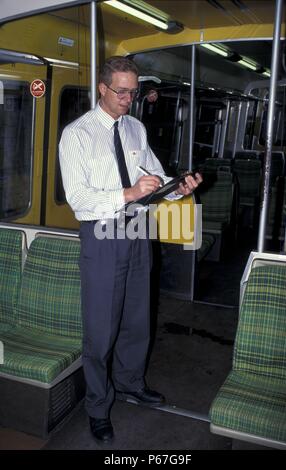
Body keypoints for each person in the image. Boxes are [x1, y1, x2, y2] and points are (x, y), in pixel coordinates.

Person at [59, 56, 202, 444]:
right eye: (121, 91)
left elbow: (152, 179)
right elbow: (78, 199)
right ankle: (98, 407)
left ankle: (130, 382)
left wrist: (178, 187)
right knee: (101, 330)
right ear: (102, 89)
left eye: (133, 92)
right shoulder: (77, 135)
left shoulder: (136, 128)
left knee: (137, 317)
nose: (128, 98)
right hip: (102, 231)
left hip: (138, 230)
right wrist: (127, 193)